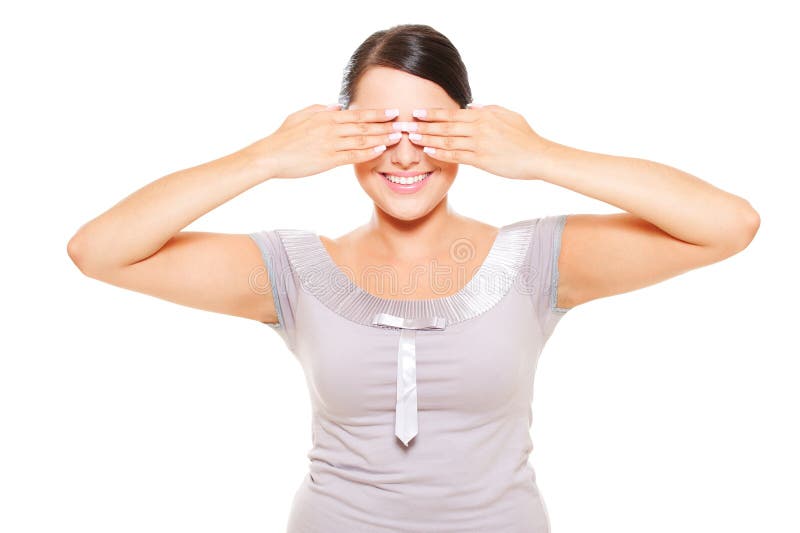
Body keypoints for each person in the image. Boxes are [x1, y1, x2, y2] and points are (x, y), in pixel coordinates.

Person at [67, 23, 760, 533]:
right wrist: (265, 157)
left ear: (469, 131)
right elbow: (99, 250)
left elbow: (728, 224)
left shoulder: (538, 261)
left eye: (429, 125)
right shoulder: (290, 270)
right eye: (377, 126)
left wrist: (541, 155)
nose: (403, 149)